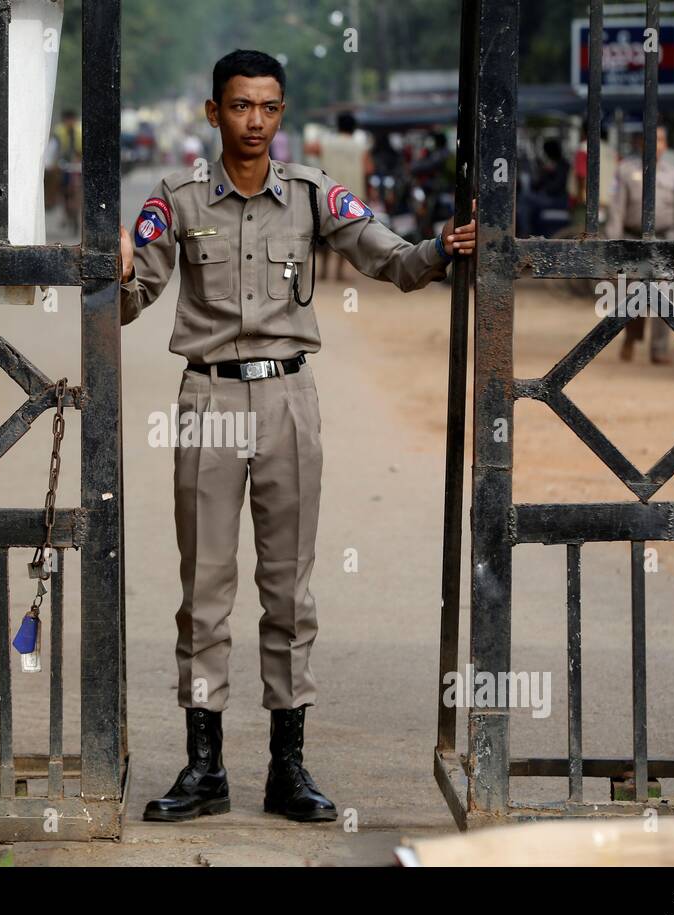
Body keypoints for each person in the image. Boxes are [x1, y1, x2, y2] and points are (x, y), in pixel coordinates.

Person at [117, 49, 477, 824]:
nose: (255, 122)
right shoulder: (175, 200)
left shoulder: (313, 195)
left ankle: (288, 768)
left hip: (288, 400)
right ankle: (204, 767)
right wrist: (107, 270)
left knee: (288, 591)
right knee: (204, 592)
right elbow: (129, 299)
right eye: (240, 106)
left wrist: (440, 251)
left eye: (269, 108)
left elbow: (389, 258)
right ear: (213, 113)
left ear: (282, 114)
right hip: (209, 400)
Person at [606, 121, 674, 364]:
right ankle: (631, 337)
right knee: (635, 296)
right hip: (633, 239)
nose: (657, 145)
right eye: (651, 140)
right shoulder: (625, 170)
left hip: (665, 240)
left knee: (665, 295)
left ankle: (659, 349)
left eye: (661, 140)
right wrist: (612, 249)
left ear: (666, 145)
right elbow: (616, 211)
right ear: (640, 143)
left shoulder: (673, 173)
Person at [314, 111, 372, 280]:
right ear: (354, 128)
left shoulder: (326, 143)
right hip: (351, 196)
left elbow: (310, 148)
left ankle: (323, 271)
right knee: (346, 234)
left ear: (338, 126)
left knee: (323, 232)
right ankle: (339, 272)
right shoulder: (361, 146)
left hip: (326, 193)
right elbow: (369, 169)